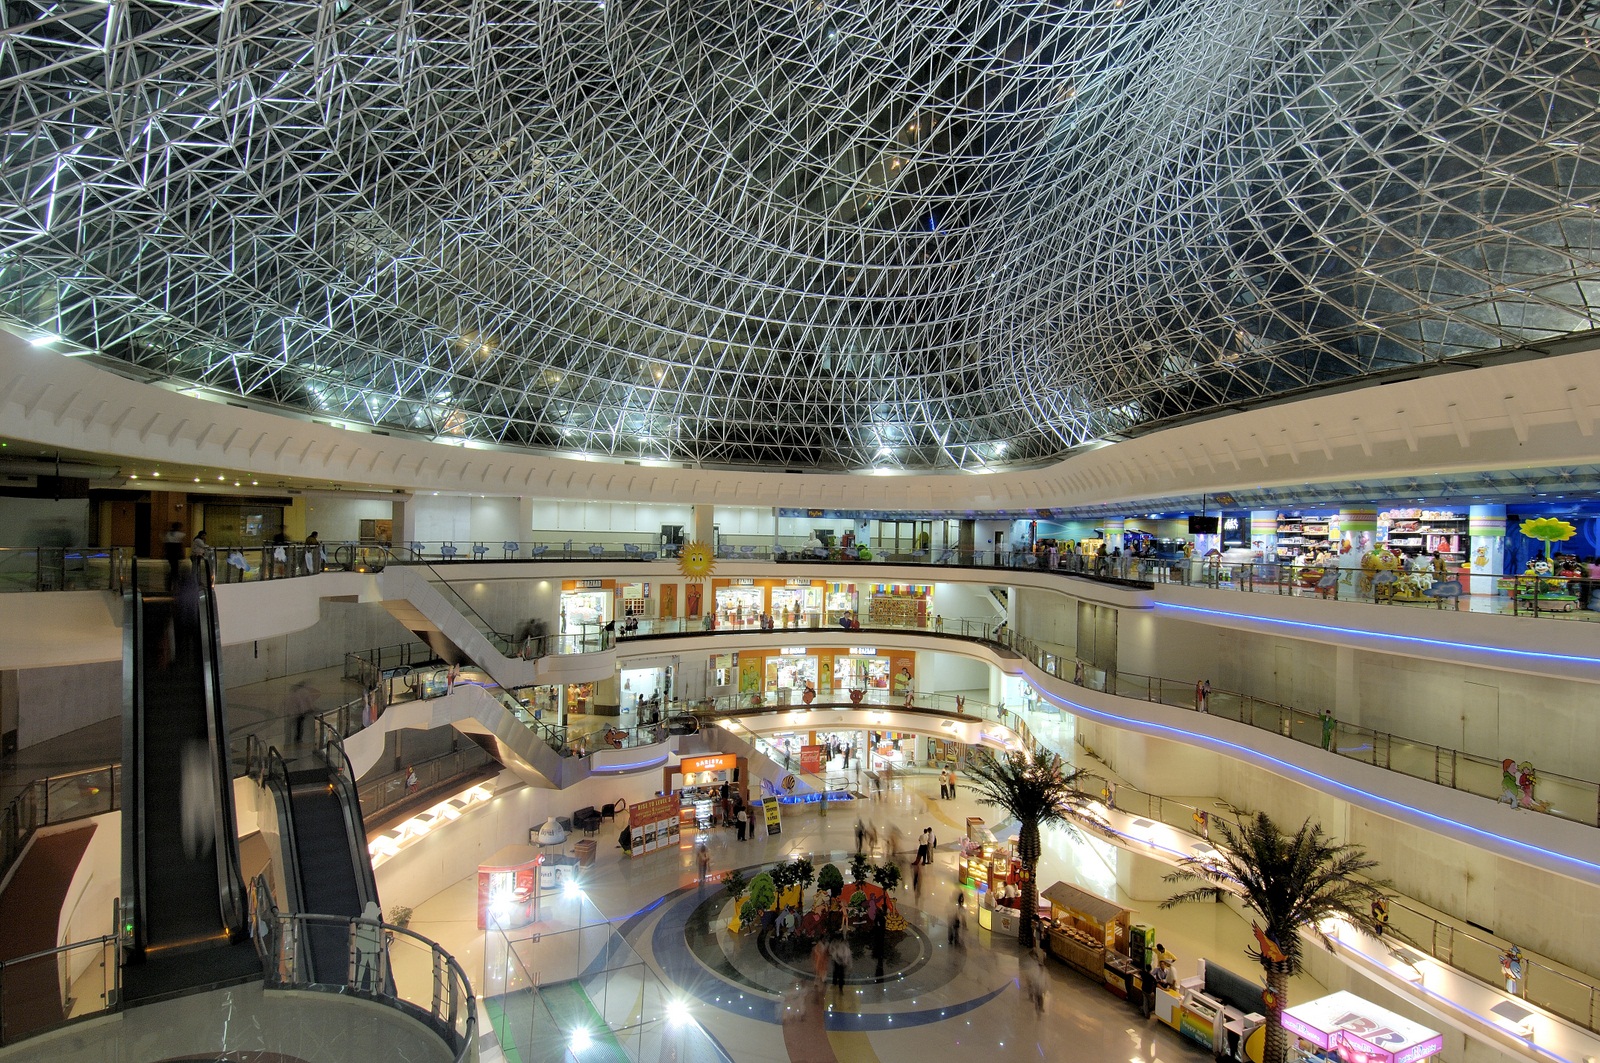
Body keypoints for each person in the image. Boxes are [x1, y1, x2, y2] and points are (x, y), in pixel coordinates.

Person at [163, 522, 186, 590]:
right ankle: (175, 583)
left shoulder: (168, 534)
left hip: (169, 553)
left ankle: (170, 584)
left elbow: (165, 545)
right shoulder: (180, 534)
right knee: (175, 569)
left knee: (173, 568)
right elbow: (181, 545)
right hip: (176, 553)